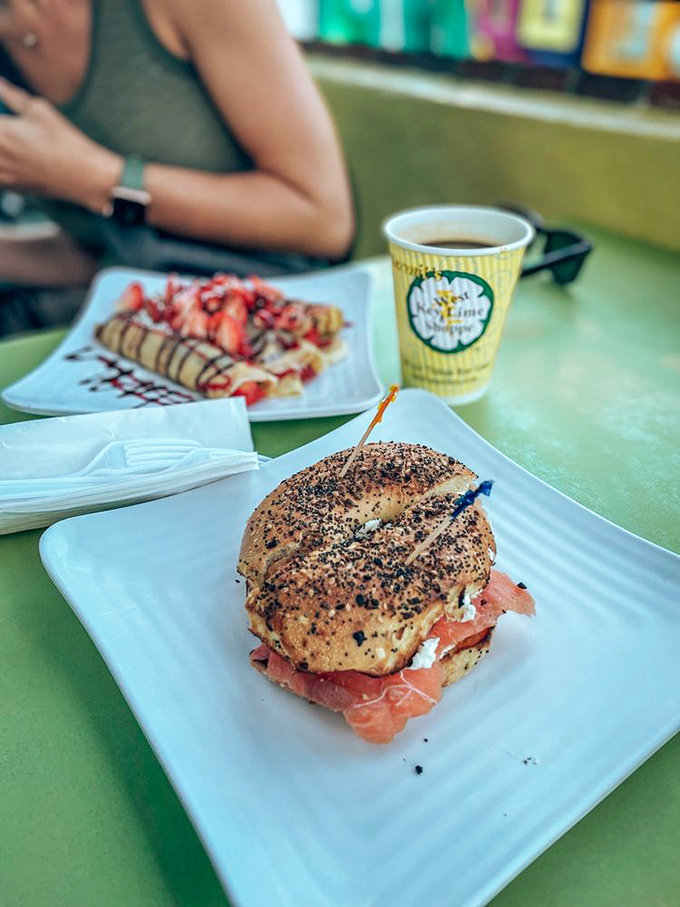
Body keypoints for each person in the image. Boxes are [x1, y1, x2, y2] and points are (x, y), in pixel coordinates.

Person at [0, 0, 355, 333]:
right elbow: (99, 253)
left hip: (271, 311)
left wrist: (95, 179)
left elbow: (324, 220)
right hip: (128, 302)